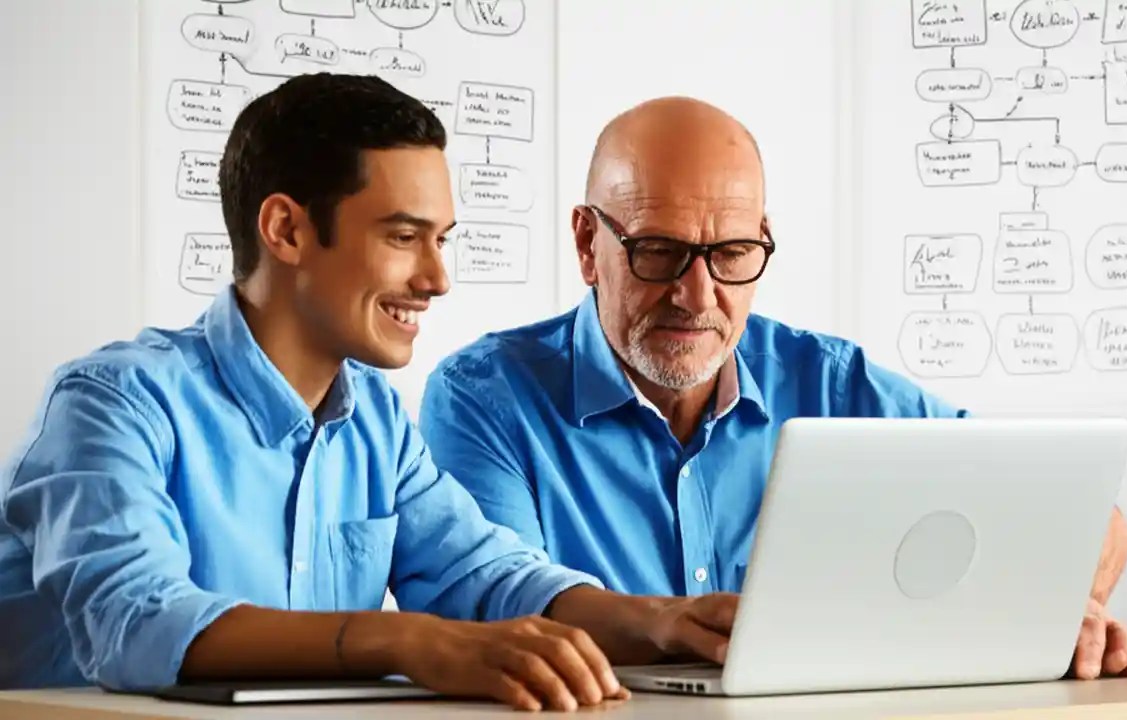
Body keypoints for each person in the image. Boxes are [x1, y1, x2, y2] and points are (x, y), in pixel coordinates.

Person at [0, 75, 738, 711]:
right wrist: (404, 637)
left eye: (441, 240)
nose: (437, 278)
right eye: (402, 236)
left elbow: (485, 577)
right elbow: (135, 622)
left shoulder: (376, 422)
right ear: (287, 229)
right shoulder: (113, 401)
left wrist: (662, 622)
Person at [421, 96, 1127, 681]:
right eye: (658, 252)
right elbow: (498, 607)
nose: (696, 294)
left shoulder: (833, 383)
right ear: (589, 244)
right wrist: (661, 623)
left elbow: (1088, 514)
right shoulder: (486, 398)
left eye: (733, 252)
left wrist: (1071, 604)